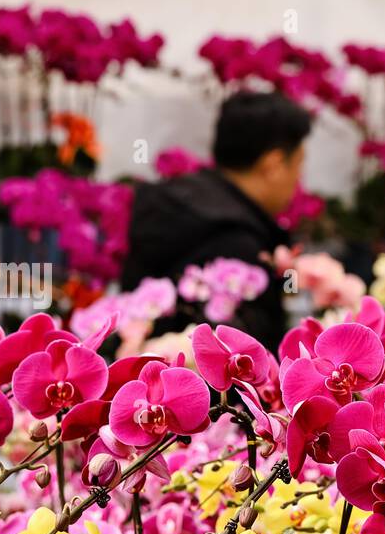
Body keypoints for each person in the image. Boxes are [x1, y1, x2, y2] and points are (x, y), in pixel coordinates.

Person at [120, 91, 312, 351]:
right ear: (274, 165)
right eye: (299, 166)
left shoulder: (172, 206)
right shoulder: (239, 245)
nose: (299, 180)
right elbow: (251, 363)